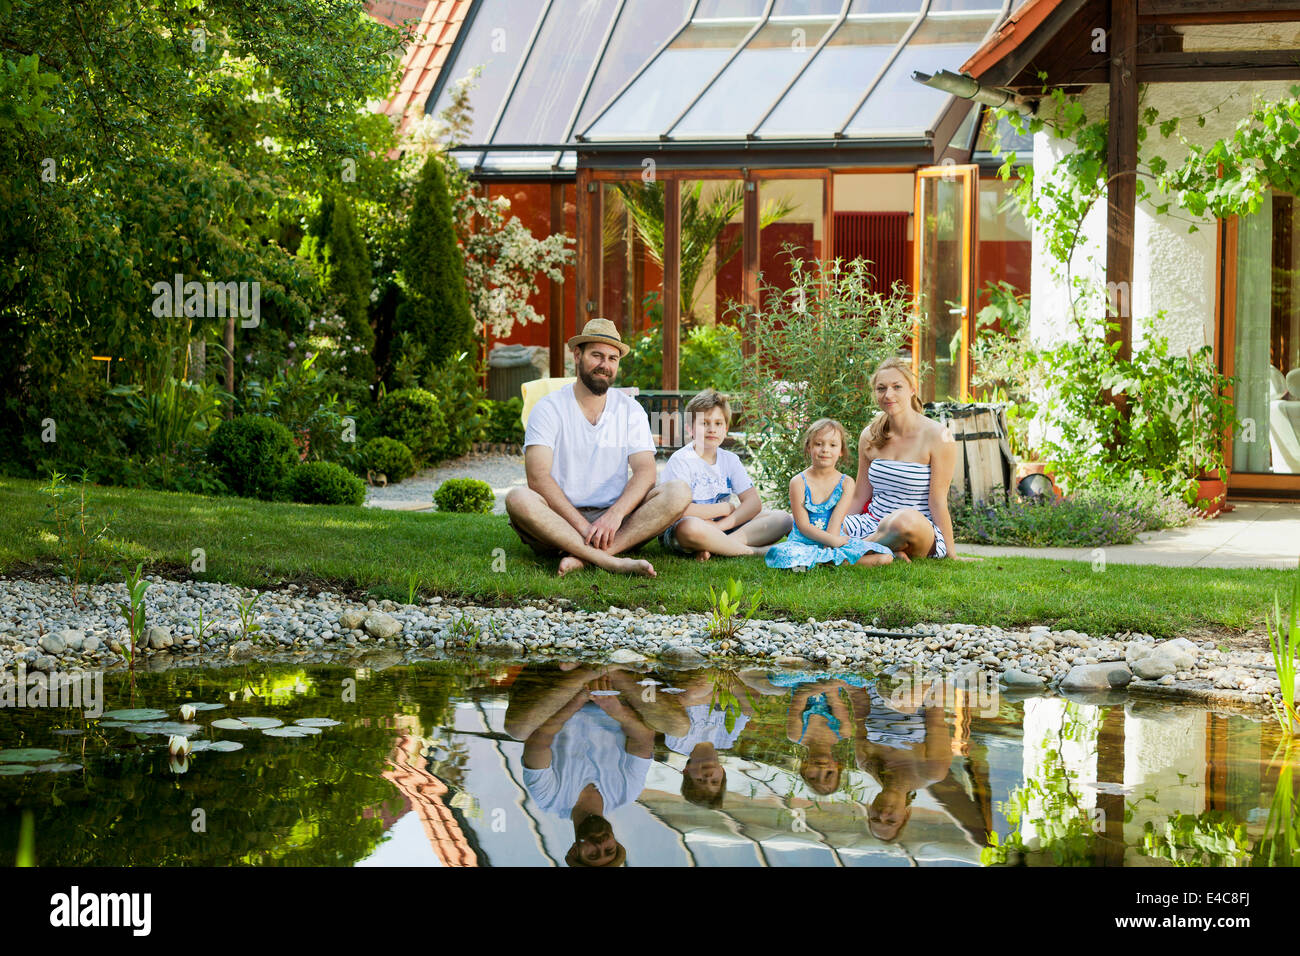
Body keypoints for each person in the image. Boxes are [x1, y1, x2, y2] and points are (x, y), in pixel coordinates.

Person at [504, 318, 692, 577]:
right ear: (578, 355)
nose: (605, 365)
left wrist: (614, 516)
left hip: (615, 523)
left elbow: (645, 473)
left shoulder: (630, 410)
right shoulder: (549, 408)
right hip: (559, 520)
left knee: (679, 491)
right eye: (597, 355)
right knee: (518, 498)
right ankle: (611, 561)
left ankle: (586, 556)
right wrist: (583, 527)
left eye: (612, 358)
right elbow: (537, 477)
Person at [504, 664, 686, 867]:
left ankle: (592, 669)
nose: (600, 844)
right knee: (678, 727)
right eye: (608, 850)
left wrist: (579, 697)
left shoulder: (548, 799)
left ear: (575, 850)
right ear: (615, 841)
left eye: (592, 854)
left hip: (558, 690)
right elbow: (643, 739)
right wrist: (615, 709)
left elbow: (539, 740)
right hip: (616, 692)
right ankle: (613, 668)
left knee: (517, 729)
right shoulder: (626, 793)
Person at [840, 356, 957, 561]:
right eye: (881, 388)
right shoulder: (869, 435)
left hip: (916, 528)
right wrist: (835, 523)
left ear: (912, 390)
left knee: (902, 521)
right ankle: (880, 553)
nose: (888, 394)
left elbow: (938, 501)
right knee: (822, 523)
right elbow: (860, 495)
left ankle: (846, 553)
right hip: (872, 522)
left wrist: (951, 553)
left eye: (897, 387)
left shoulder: (939, 436)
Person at [658, 388, 792, 561]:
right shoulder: (681, 460)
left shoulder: (730, 460)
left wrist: (720, 527)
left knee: (783, 519)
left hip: (723, 526)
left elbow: (753, 503)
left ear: (726, 428)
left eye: (718, 424)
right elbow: (677, 511)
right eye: (704, 423)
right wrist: (723, 508)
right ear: (689, 428)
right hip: (687, 528)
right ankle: (754, 551)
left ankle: (719, 546)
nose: (711, 429)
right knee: (689, 527)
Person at [764, 418, 892, 571]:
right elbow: (803, 526)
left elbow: (836, 521)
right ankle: (828, 562)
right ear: (808, 448)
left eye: (833, 445)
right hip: (803, 543)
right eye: (818, 444)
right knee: (785, 555)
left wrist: (831, 546)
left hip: (833, 539)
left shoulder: (846, 483)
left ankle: (821, 562)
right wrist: (833, 542)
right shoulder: (798, 482)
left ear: (841, 451)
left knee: (886, 557)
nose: (825, 449)